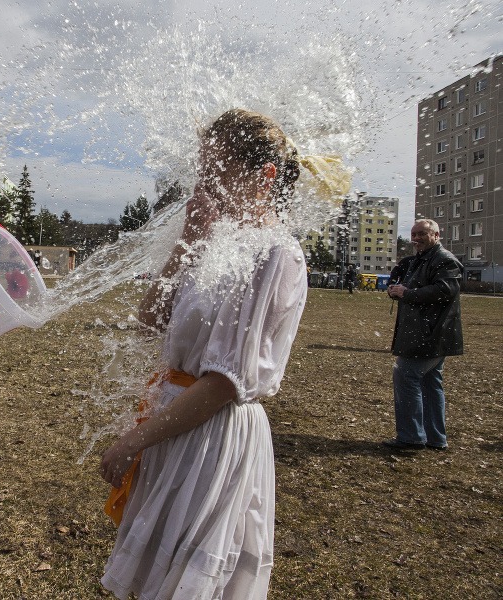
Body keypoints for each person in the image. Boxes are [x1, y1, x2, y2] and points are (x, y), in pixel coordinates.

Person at [99, 109, 328, 599]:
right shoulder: (217, 245)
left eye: (216, 170)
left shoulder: (275, 254)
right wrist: (187, 242)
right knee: (155, 580)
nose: (204, 184)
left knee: (189, 583)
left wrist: (132, 441)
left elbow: (225, 383)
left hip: (211, 437)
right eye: (202, 170)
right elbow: (149, 320)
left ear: (264, 176)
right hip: (177, 426)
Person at [383, 219, 462, 451]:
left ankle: (411, 437)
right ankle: (435, 438)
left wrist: (407, 293)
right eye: (413, 234)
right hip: (426, 332)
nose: (416, 239)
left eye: (422, 234)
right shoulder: (421, 260)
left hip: (431, 333)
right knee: (430, 382)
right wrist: (396, 291)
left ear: (436, 235)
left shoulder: (445, 260)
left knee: (405, 374)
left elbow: (445, 290)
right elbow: (411, 287)